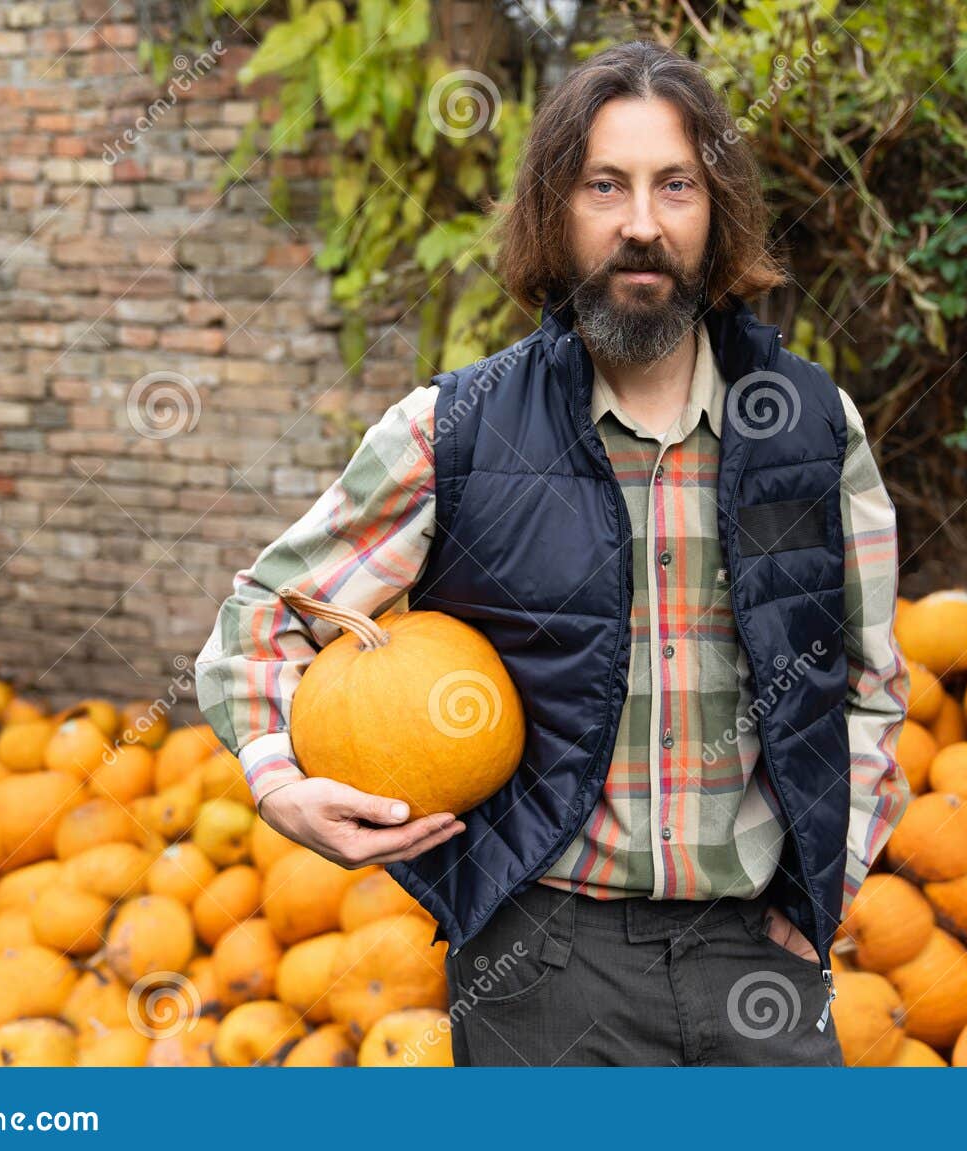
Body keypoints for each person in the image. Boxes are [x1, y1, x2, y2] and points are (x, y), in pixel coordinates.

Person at [195, 38, 911, 1066]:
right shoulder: (457, 429)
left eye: (676, 186)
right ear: (553, 211)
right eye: (602, 186)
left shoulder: (806, 422)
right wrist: (278, 781)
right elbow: (265, 615)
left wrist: (826, 881)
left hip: (758, 953)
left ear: (717, 212)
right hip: (539, 967)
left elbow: (869, 679)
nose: (639, 223)